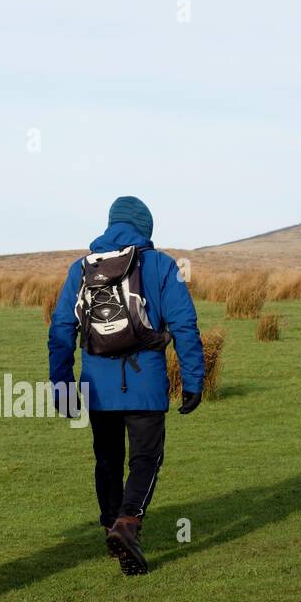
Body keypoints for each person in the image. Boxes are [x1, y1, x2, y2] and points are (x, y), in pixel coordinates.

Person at [47, 196, 204, 575]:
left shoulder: (81, 269)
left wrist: (61, 385)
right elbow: (184, 325)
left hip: (97, 386)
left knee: (107, 460)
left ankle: (111, 527)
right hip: (146, 382)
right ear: (145, 227)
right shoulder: (161, 265)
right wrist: (194, 379)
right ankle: (128, 524)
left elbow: (61, 331)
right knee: (146, 458)